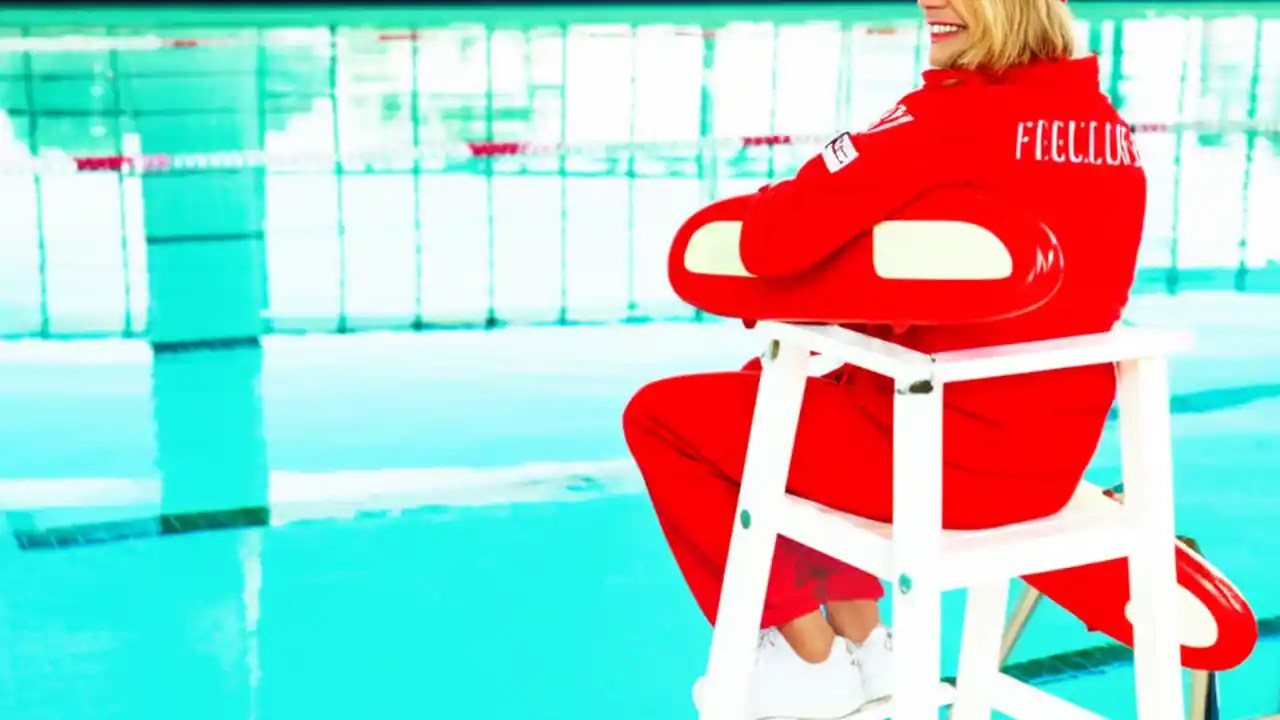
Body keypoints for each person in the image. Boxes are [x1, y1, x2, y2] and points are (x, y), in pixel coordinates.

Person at [622, 0, 1151, 717]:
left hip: (938, 466)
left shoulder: (948, 117)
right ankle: (867, 641)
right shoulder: (1107, 130)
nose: (930, 1)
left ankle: (804, 657)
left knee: (663, 417)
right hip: (1046, 469)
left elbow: (771, 238)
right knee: (770, 388)